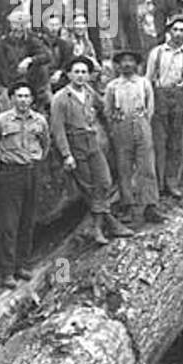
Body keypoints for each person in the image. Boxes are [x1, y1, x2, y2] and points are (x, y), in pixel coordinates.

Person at [50, 56, 134, 243]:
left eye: (84, 72)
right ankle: (106, 226)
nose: (80, 76)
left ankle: (99, 226)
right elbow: (58, 130)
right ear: (69, 74)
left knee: (104, 181)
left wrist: (116, 110)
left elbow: (103, 107)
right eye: (76, 72)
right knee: (88, 187)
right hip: (75, 143)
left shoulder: (89, 92)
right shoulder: (60, 99)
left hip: (93, 141)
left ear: (88, 75)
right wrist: (67, 155)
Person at [0, 82, 50, 287]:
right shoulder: (1, 121)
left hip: (33, 171)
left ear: (32, 99)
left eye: (26, 96)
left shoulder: (39, 121)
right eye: (19, 96)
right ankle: (7, 271)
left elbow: (46, 144)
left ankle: (23, 264)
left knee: (28, 220)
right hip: (10, 174)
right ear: (12, 99)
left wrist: (35, 161)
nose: (23, 100)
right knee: (8, 224)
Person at [104, 50, 165, 226]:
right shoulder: (113, 86)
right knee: (124, 168)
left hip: (141, 123)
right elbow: (107, 110)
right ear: (118, 65)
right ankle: (128, 207)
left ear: (136, 64)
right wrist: (116, 123)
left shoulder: (144, 83)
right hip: (121, 127)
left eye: (131, 61)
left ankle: (150, 206)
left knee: (147, 166)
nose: (127, 64)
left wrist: (143, 121)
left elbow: (150, 107)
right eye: (123, 61)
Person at [146, 16, 183, 199]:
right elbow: (148, 80)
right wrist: (148, 104)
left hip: (179, 96)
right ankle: (158, 183)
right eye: (175, 30)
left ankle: (172, 182)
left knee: (176, 142)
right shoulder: (157, 52)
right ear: (169, 31)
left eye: (182, 30)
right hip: (160, 94)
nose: (177, 33)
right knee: (159, 142)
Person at [0, 7, 52, 95]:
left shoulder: (32, 40)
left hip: (32, 82)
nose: (19, 28)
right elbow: (2, 71)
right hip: (9, 83)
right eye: (15, 24)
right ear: (10, 25)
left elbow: (47, 55)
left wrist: (30, 60)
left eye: (22, 25)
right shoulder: (1, 44)